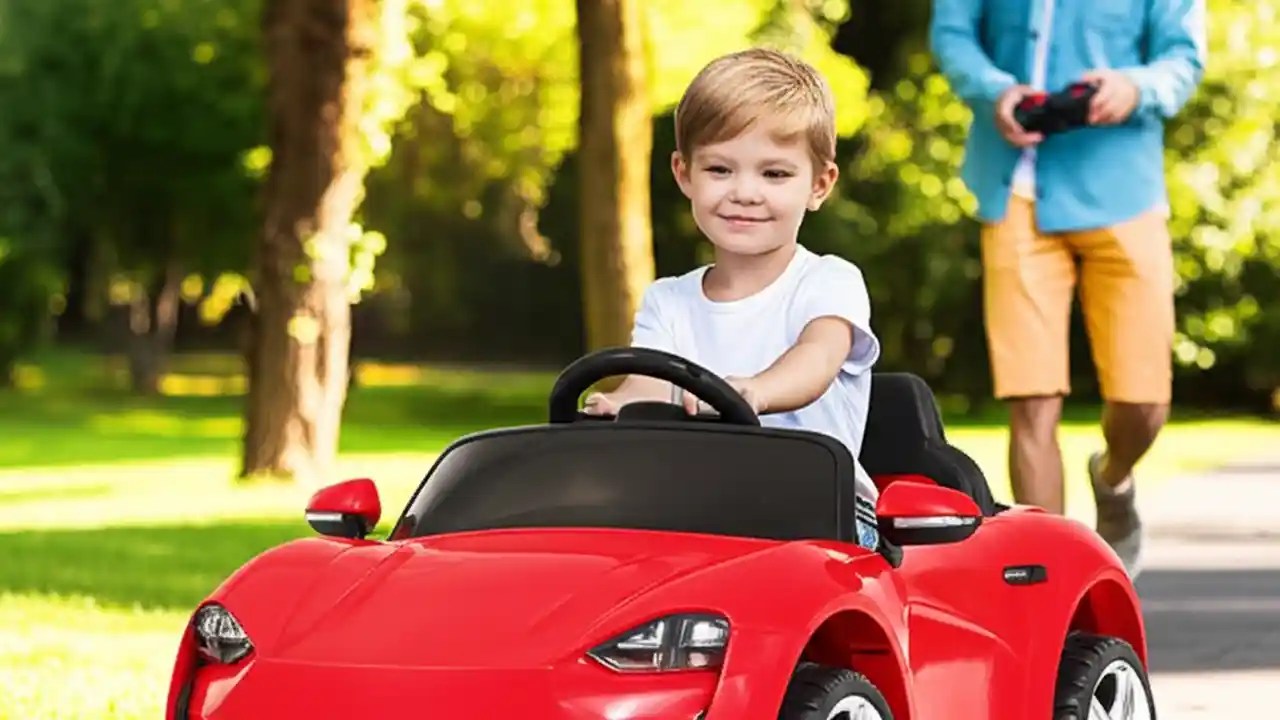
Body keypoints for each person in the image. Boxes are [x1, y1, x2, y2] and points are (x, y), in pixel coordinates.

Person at [930, 0, 1206, 576]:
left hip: (1124, 193)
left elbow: (1183, 58)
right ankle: (1050, 585)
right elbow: (954, 34)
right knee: (1031, 400)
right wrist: (994, 90)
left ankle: (1113, 477)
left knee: (1143, 400)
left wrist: (1135, 87)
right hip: (1015, 194)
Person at [582, 48, 883, 550]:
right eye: (720, 170)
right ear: (684, 174)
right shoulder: (669, 300)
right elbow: (651, 385)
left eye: (774, 175)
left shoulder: (829, 282)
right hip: (700, 509)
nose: (745, 192)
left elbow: (816, 359)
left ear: (819, 184)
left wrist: (757, 391)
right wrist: (614, 405)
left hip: (824, 517)